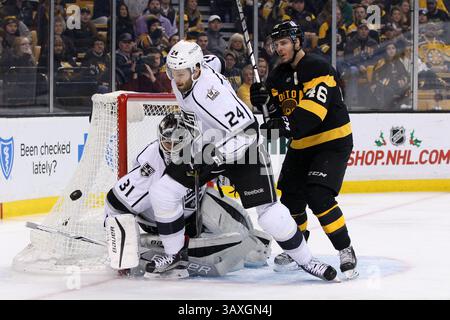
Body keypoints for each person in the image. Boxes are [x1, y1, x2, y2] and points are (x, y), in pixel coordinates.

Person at [137, 40, 338, 281]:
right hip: (209, 143)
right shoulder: (196, 70)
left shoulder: (211, 96)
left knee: (270, 214)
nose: (176, 79)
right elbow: (216, 61)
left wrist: (216, 158)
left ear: (196, 70)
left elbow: (249, 131)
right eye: (173, 72)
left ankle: (308, 261)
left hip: (245, 148)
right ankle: (174, 256)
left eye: (181, 73)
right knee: (163, 191)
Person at [250, 21, 358, 279]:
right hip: (302, 145)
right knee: (289, 200)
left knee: (319, 196)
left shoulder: (318, 67)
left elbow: (314, 113)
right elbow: (277, 119)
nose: (280, 48)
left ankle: (345, 249)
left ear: (298, 41)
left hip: (332, 141)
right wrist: (262, 104)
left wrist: (283, 122)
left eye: (284, 42)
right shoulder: (276, 76)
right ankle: (298, 246)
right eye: (276, 44)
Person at [104, 114, 272, 278]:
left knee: (255, 249)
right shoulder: (151, 166)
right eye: (167, 142)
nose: (171, 147)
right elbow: (114, 203)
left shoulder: (199, 147)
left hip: (195, 209)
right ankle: (173, 252)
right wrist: (122, 249)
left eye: (177, 142)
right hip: (160, 223)